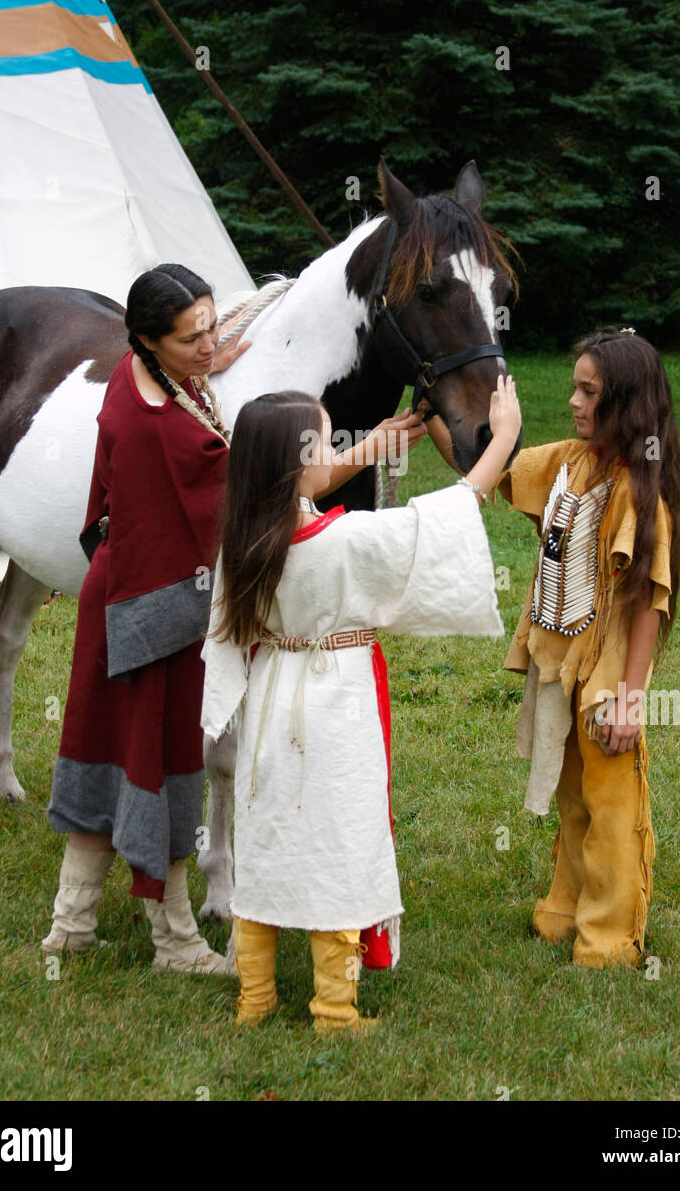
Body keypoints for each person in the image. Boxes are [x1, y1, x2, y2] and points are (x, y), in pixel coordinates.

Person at [41, 263, 425, 974]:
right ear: (147, 339)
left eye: (214, 324)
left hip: (113, 595)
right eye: (193, 337)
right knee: (164, 769)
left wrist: (201, 367)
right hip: (153, 617)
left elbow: (173, 394)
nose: (212, 343)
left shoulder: (140, 378)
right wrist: (377, 443)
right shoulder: (174, 435)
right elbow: (280, 492)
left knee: (104, 753)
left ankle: (71, 923)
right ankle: (175, 940)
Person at [200, 376, 523, 1030]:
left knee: (264, 843)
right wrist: (506, 437)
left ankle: (254, 999)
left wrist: (373, 446)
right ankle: (335, 1007)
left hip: (268, 706)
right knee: (338, 846)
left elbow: (224, 639)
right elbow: (450, 514)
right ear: (300, 463)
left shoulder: (241, 545)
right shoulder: (343, 543)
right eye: (326, 441)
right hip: (334, 708)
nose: (334, 451)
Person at [492, 328, 680, 968]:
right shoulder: (574, 461)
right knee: (571, 790)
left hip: (606, 671)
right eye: (575, 385)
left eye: (589, 391)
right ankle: (565, 909)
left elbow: (648, 603)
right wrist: (461, 418)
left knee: (609, 800)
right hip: (559, 655)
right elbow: (502, 471)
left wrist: (630, 699)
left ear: (624, 402)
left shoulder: (638, 491)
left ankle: (608, 937)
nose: (573, 401)